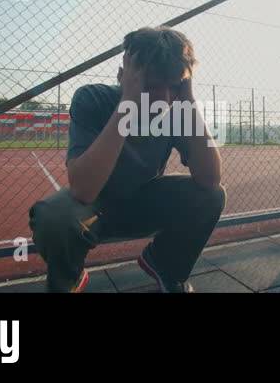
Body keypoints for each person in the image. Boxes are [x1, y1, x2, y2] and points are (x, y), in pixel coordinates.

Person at [29, 26, 225, 293]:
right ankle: (68, 278)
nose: (164, 98)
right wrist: (128, 104)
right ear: (124, 76)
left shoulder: (177, 110)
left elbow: (211, 178)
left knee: (212, 196)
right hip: (95, 208)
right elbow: (83, 190)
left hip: (143, 203)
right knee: (54, 217)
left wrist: (188, 100)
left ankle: (165, 265)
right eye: (153, 85)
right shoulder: (93, 98)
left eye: (175, 86)